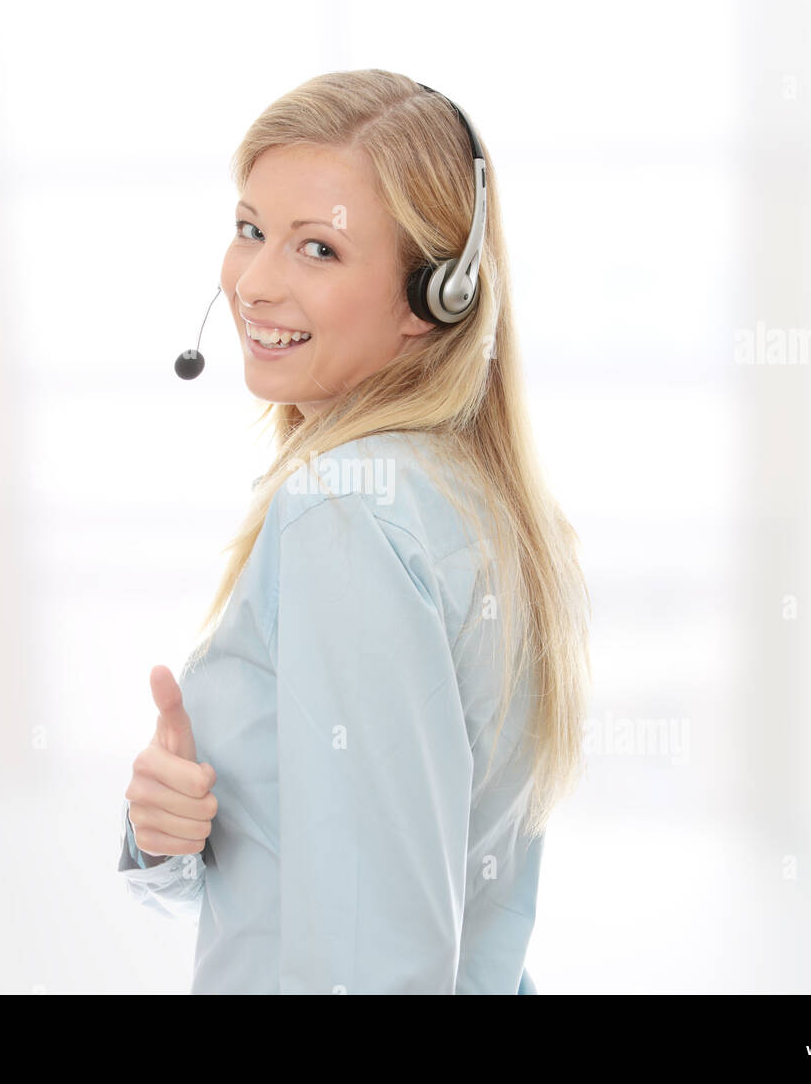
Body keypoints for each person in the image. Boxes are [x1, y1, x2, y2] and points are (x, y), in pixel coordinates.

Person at [118, 69, 591, 994]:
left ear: (436, 296)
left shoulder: (344, 511)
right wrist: (170, 831)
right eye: (250, 229)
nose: (254, 283)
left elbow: (375, 962)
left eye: (318, 249)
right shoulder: (478, 502)